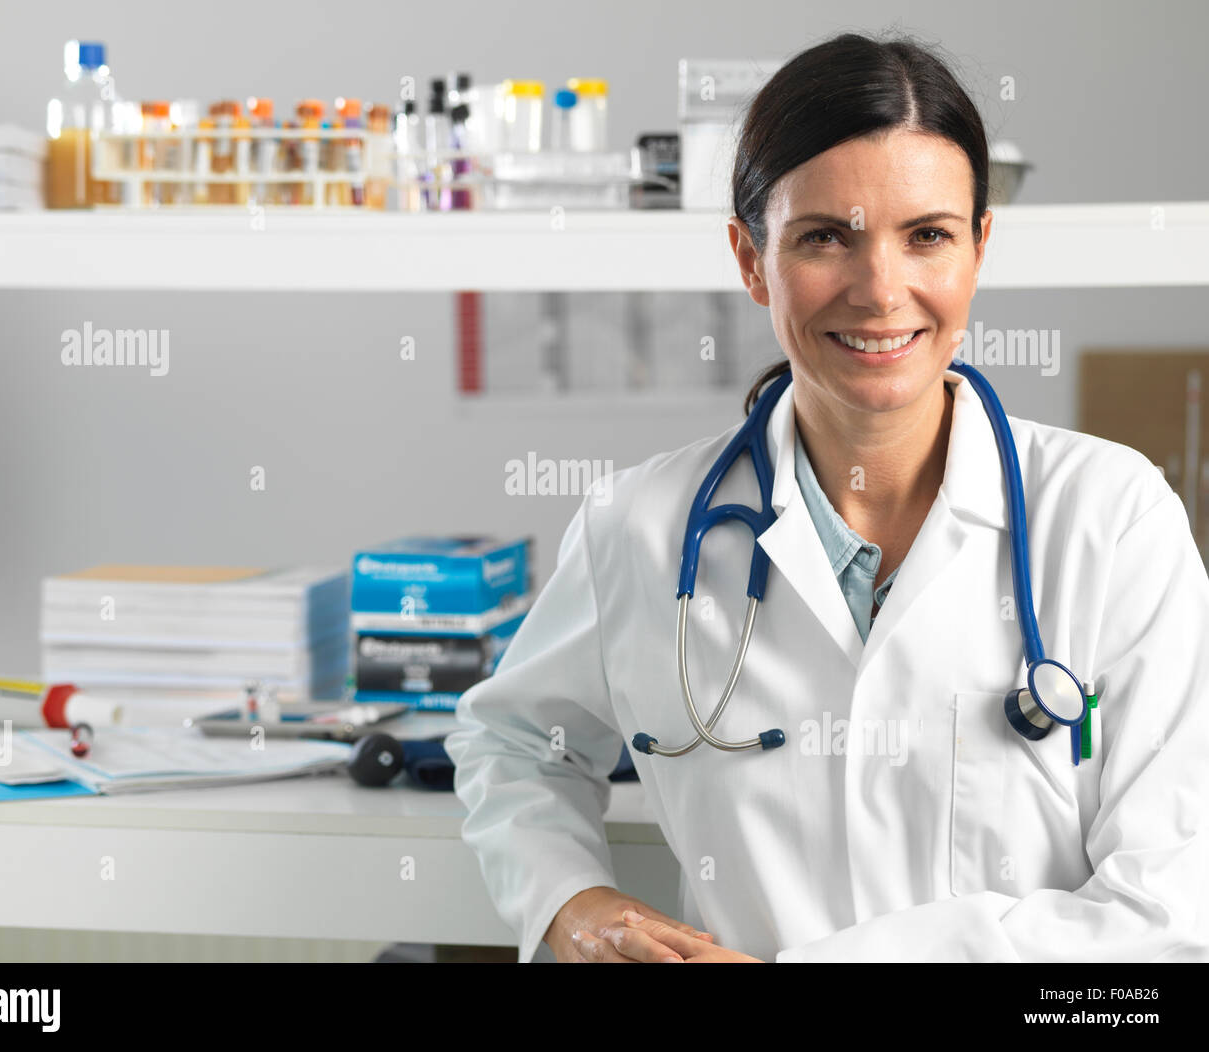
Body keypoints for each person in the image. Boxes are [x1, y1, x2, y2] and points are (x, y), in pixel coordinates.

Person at [443, 30, 1209, 963]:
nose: (881, 291)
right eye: (824, 239)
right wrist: (572, 901)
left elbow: (1167, 920)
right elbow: (513, 741)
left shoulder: (1113, 519)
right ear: (750, 259)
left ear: (979, 248)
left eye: (926, 235)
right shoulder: (636, 529)